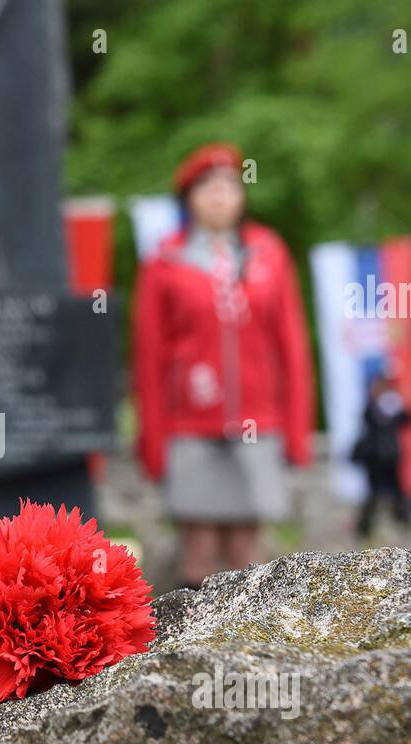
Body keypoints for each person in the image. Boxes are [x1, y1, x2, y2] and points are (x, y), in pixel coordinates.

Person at [133, 143, 315, 589]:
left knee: (248, 558)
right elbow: (149, 357)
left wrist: (296, 431)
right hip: (190, 426)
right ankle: (194, 651)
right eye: (206, 187)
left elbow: (292, 346)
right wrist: (153, 440)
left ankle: (250, 652)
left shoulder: (270, 255)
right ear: (189, 198)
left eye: (229, 185)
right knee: (197, 558)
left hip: (258, 421)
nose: (219, 196)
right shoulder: (164, 263)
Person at [353, 375, 411, 540]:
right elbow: (370, 421)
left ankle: (402, 522)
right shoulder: (371, 408)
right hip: (374, 459)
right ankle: (364, 529)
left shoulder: (393, 406)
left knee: (397, 493)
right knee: (373, 494)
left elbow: (406, 420)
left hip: (391, 457)